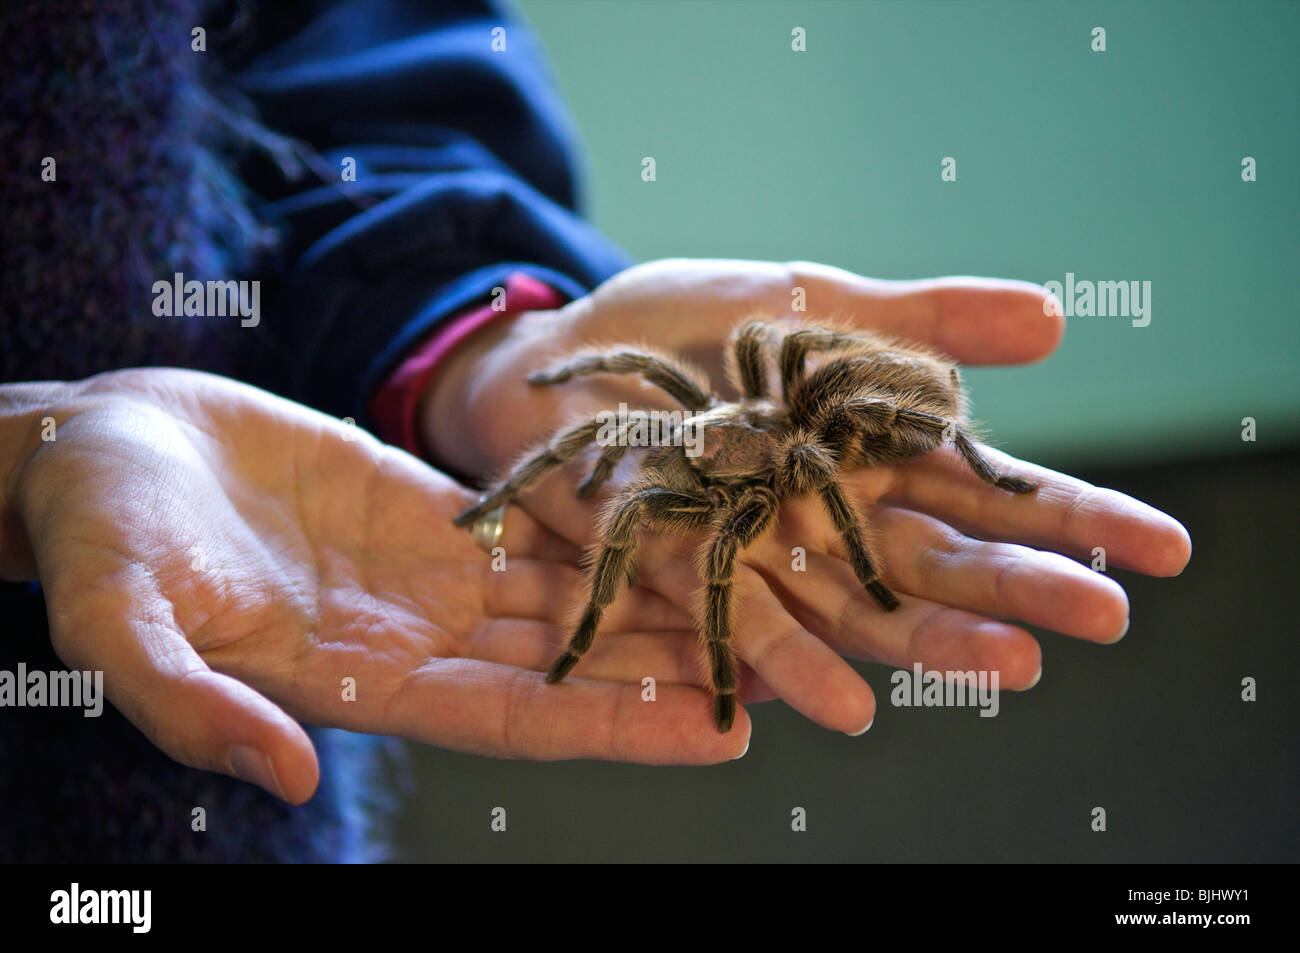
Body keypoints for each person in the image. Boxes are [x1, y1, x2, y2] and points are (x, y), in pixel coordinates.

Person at [0, 0, 1190, 861]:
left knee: (717, 529)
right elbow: (618, 406)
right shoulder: (688, 441)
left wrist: (489, 344)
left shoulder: (787, 420)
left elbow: (346, 67)